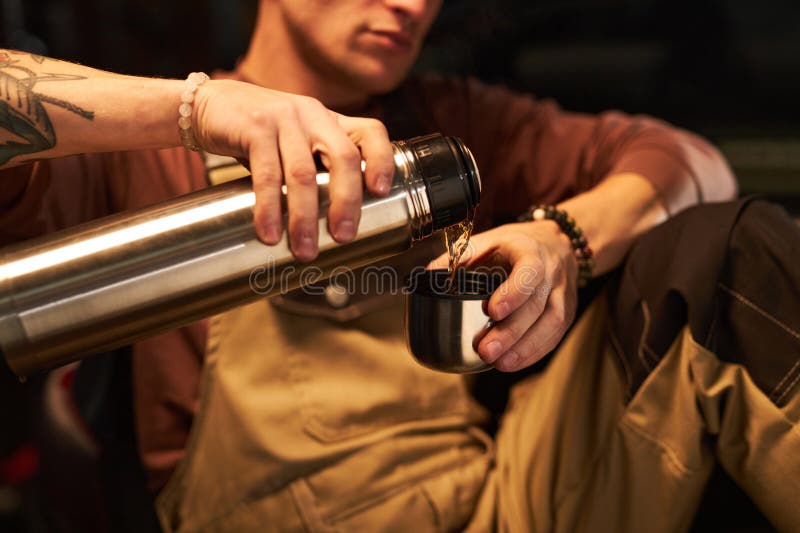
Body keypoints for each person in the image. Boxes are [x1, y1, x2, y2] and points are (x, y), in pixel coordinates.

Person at [8, 1, 795, 531]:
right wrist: (193, 109)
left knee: (728, 261)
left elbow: (694, 162)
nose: (413, 4)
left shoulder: (452, 121)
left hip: (500, 501)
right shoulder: (144, 155)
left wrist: (565, 239)